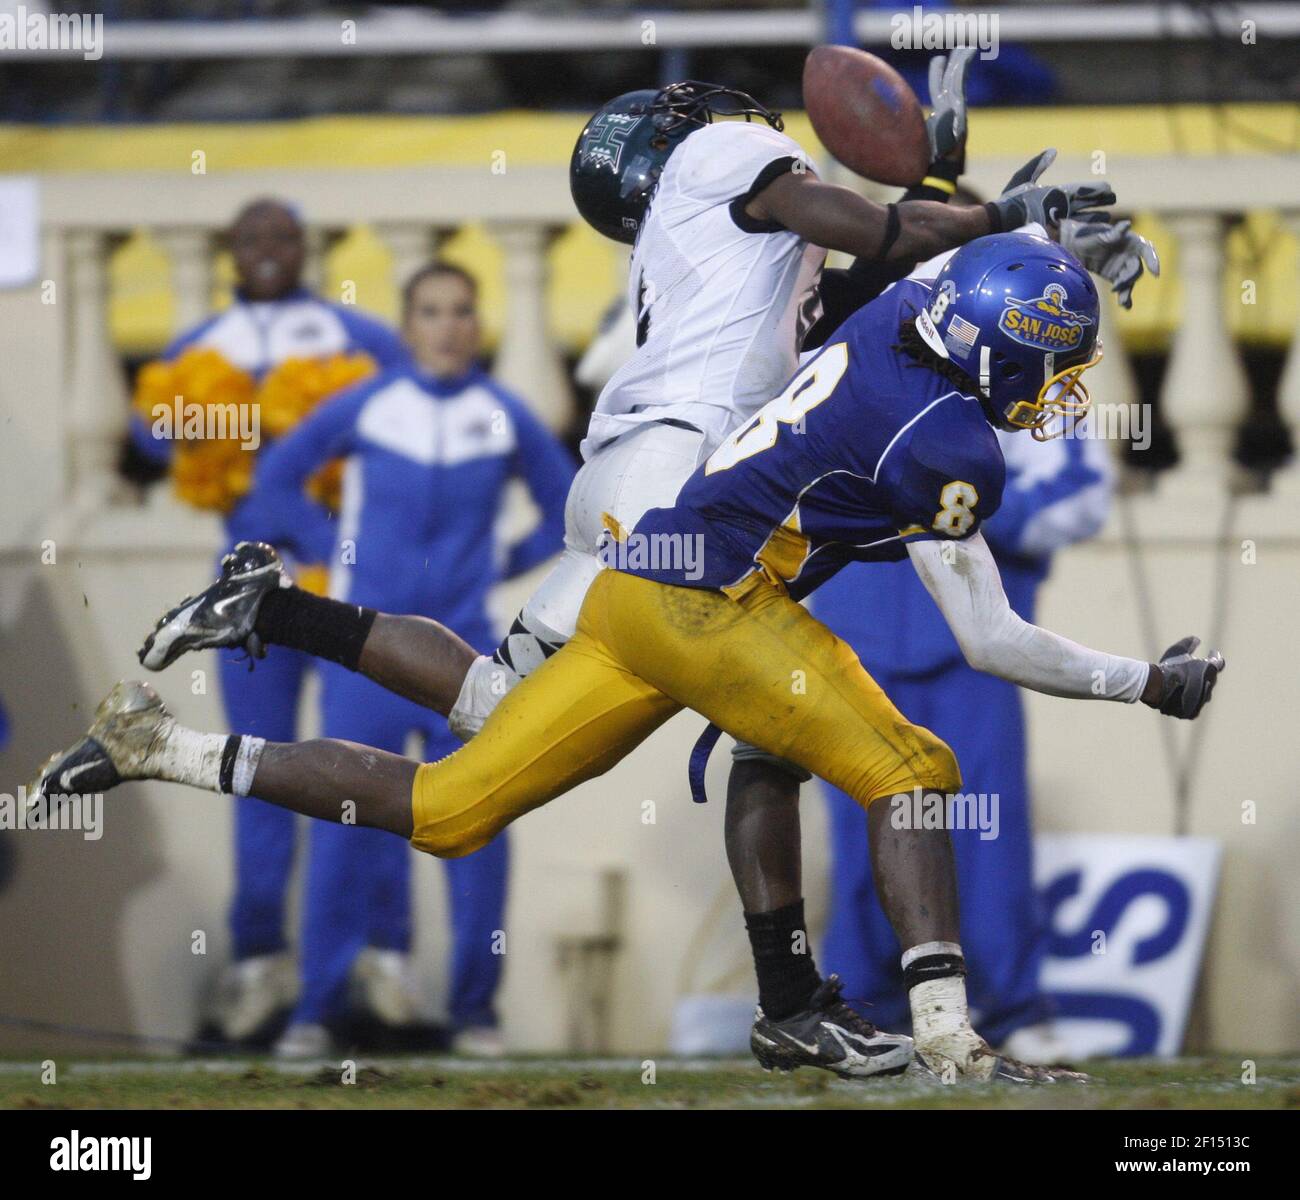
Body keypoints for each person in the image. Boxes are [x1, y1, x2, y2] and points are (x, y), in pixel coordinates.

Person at [31, 231, 1224, 1083]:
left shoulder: (892, 310)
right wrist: (1146, 684)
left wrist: (1041, 235)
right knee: (913, 771)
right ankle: (950, 1039)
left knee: (451, 807)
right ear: (996, 351)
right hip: (711, 603)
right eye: (1053, 362)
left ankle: (163, 744)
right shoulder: (949, 444)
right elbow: (992, 639)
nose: (1061, 388)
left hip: (631, 585)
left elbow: (935, 252)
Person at [234, 261, 573, 1058]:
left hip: (465, 660)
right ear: (408, 322)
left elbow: (570, 510)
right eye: (430, 311)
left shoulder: (504, 414)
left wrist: (497, 561)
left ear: (477, 324)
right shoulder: (366, 404)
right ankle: (316, 1009)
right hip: (364, 657)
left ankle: (476, 1015)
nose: (447, 326)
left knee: (480, 828)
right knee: (343, 829)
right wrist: (332, 554)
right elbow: (272, 485)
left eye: (461, 311)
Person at [131, 198, 409, 1044]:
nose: (267, 251)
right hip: (242, 597)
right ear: (227, 248)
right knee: (249, 770)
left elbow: (406, 414)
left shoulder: (356, 336)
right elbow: (150, 438)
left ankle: (381, 958)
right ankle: (260, 963)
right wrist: (235, 427)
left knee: (368, 767)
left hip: (336, 588)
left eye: (282, 236)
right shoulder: (197, 347)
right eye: (249, 237)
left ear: (306, 247)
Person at [815, 377, 1115, 1061]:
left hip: (973, 645)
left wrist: (970, 509)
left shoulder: (1025, 379)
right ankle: (866, 1009)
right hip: (852, 641)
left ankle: (1009, 1005)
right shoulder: (844, 357)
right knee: (863, 833)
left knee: (989, 833)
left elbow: (1080, 492)